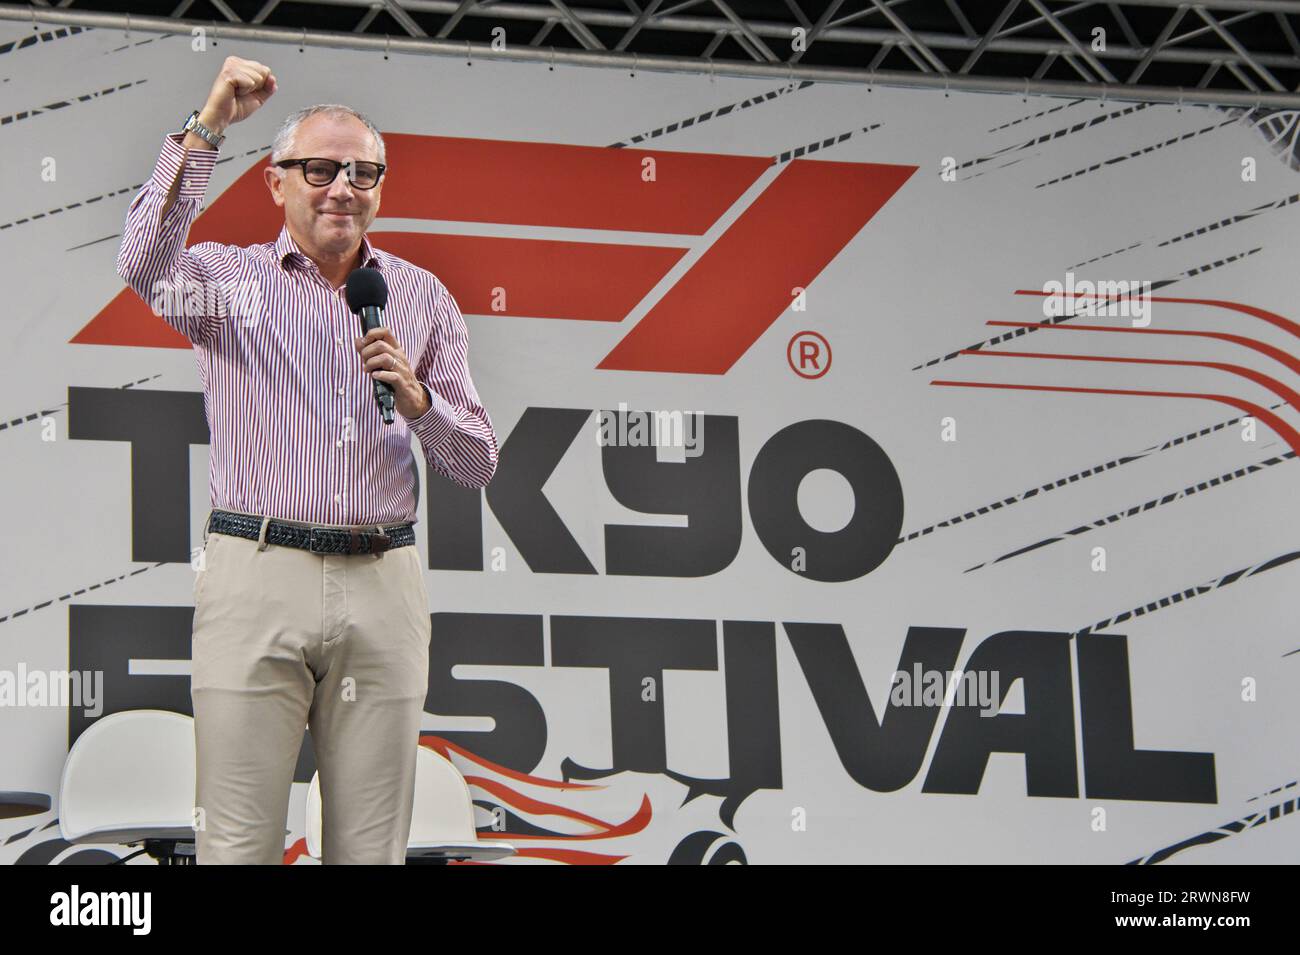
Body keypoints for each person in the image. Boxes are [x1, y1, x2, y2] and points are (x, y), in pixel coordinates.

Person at [115, 56, 499, 864]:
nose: (343, 188)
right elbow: (143, 265)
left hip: (383, 580)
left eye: (364, 173)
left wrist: (421, 402)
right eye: (320, 168)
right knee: (237, 840)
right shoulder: (230, 282)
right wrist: (209, 123)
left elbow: (477, 463)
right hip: (258, 569)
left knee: (370, 848)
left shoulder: (422, 297)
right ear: (277, 183)